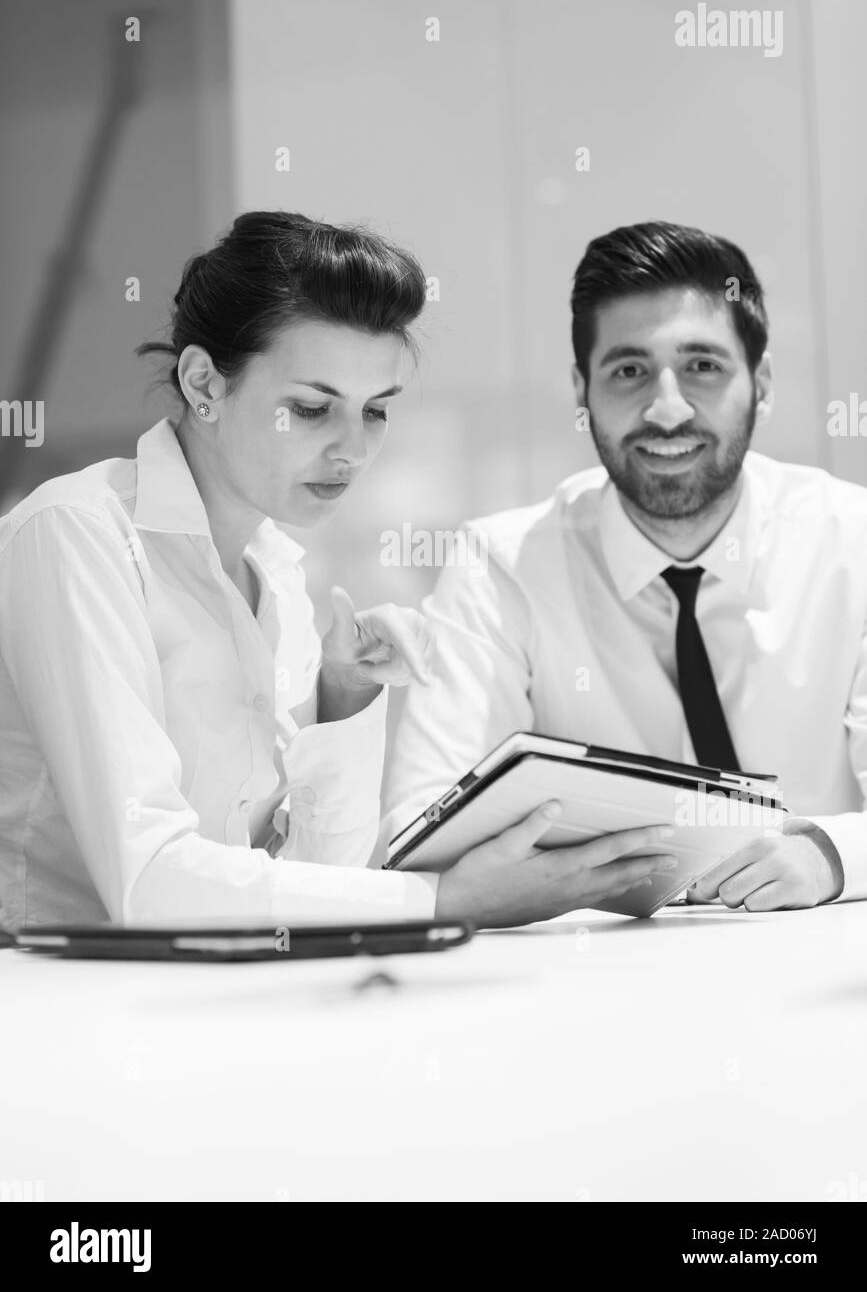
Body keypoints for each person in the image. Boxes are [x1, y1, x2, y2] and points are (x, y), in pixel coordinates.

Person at [0, 211, 675, 932]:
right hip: (55, 1015)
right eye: (312, 408)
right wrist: (444, 901)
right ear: (204, 382)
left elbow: (321, 882)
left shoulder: (276, 575)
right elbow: (152, 882)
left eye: (375, 411)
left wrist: (344, 700)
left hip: (215, 1000)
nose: (352, 449)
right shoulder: (76, 535)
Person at [385, 220, 867, 912]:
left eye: (702, 366)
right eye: (628, 370)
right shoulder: (501, 566)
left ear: (759, 383)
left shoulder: (852, 544)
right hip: (590, 976)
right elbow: (420, 823)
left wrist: (830, 854)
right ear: (582, 390)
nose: (665, 409)